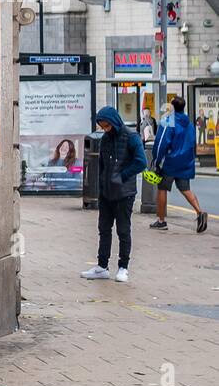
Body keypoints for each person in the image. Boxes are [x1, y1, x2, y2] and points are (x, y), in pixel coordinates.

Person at [82, 106, 147, 282]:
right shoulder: (105, 139)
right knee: (104, 229)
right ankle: (102, 266)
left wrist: (122, 176)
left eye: (107, 126)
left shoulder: (131, 137)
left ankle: (123, 267)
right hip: (107, 193)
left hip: (124, 193)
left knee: (123, 231)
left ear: (114, 122)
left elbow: (141, 162)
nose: (105, 130)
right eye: (102, 127)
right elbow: (101, 164)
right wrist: (102, 185)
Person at [150, 96, 207, 233]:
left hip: (169, 162)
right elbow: (192, 142)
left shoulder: (168, 121)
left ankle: (161, 221)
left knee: (162, 188)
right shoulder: (189, 124)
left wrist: (156, 161)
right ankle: (200, 212)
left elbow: (161, 143)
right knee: (185, 189)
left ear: (173, 107)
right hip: (185, 161)